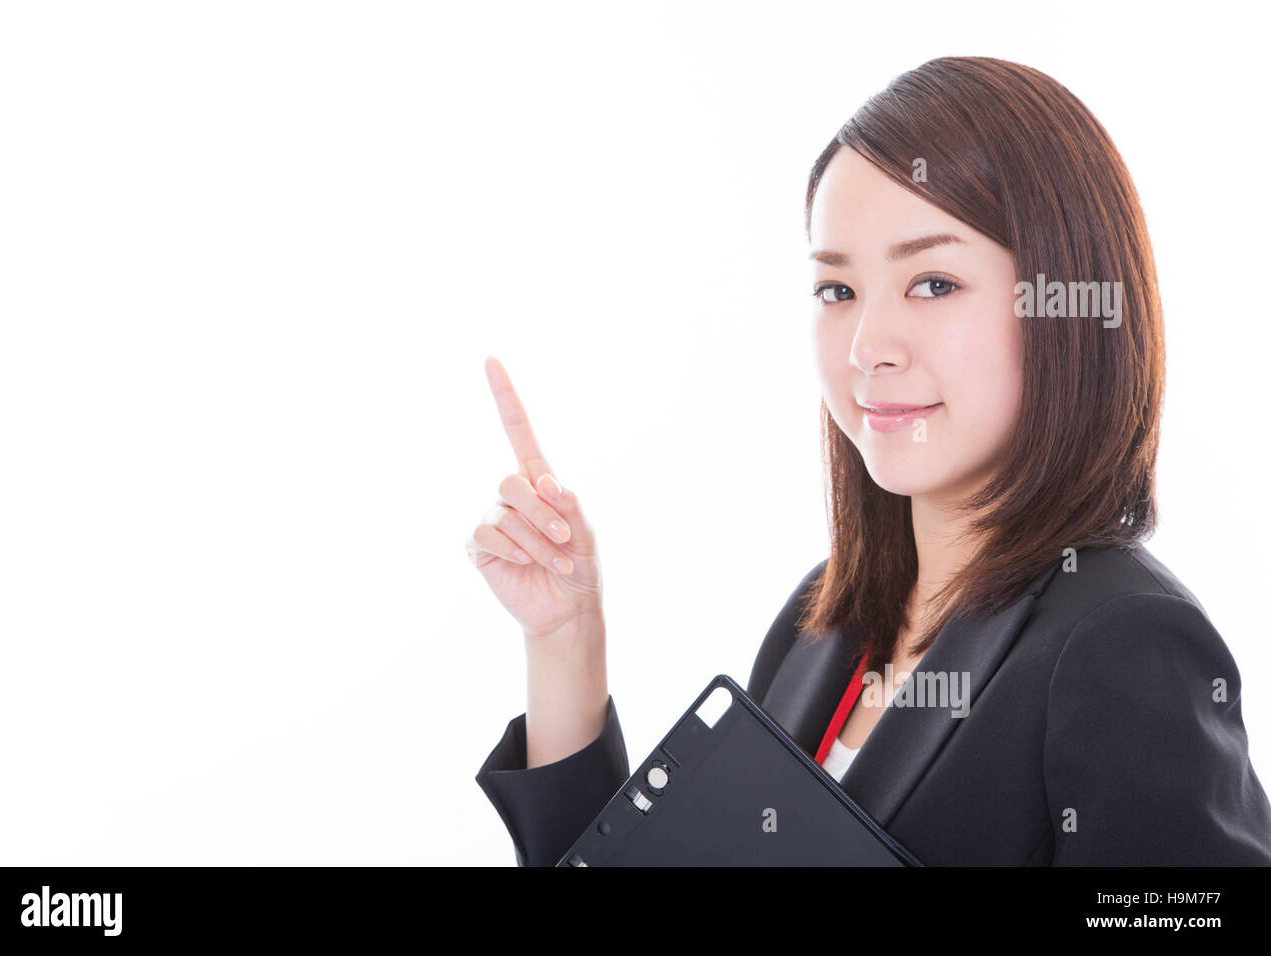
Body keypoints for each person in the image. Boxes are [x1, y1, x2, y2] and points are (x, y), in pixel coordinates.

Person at [464, 56, 1271, 867]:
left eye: (933, 283)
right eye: (837, 290)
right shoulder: (820, 623)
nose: (867, 348)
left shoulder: (1123, 645)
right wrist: (565, 640)